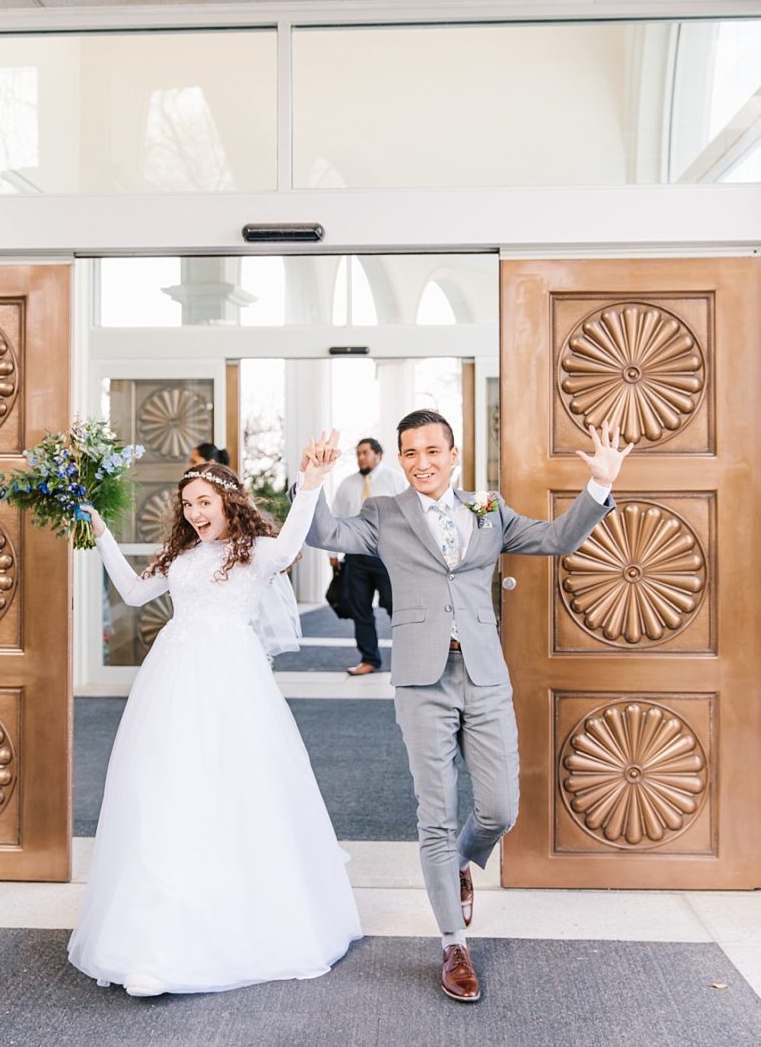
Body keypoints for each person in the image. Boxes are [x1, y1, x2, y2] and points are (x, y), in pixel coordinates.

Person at [299, 410, 629, 1003]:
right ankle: (454, 944)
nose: (421, 462)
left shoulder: (488, 509)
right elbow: (327, 535)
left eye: (432, 450)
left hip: (484, 674)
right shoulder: (384, 514)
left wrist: (599, 486)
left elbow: (556, 539)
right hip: (422, 679)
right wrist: (312, 484)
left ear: (454, 454)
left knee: (501, 807)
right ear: (401, 460)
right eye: (410, 453)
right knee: (436, 812)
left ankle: (461, 862)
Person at [68, 435, 361, 997]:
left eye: (203, 501)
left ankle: (228, 921)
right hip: (172, 676)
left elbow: (294, 540)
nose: (194, 512)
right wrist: (102, 533)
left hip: (230, 677)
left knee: (232, 785)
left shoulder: (255, 552)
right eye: (187, 504)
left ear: (228, 501)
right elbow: (131, 592)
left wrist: (312, 483)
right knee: (165, 788)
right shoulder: (181, 557)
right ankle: (154, 934)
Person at [329, 437, 408, 676]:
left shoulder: (395, 480)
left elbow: (409, 515)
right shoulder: (347, 484)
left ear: (378, 455)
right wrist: (333, 552)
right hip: (355, 556)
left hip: (388, 555)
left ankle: (409, 659)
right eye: (358, 453)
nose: (361, 457)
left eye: (365, 453)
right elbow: (336, 518)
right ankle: (370, 659)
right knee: (360, 609)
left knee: (398, 608)